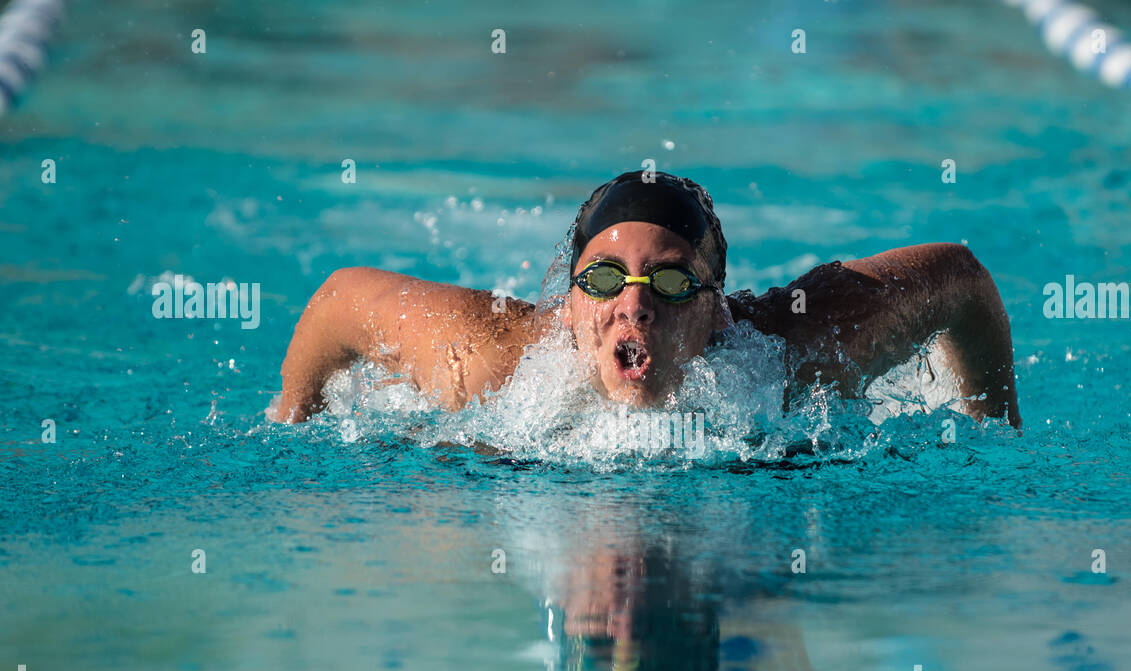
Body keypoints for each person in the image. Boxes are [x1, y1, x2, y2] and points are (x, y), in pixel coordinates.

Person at [271, 170, 1021, 428]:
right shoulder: (488, 364)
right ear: (569, 303)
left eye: (667, 279)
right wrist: (292, 421)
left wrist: (996, 440)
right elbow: (340, 299)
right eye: (601, 280)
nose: (633, 305)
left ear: (714, 305)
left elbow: (960, 276)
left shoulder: (799, 357)